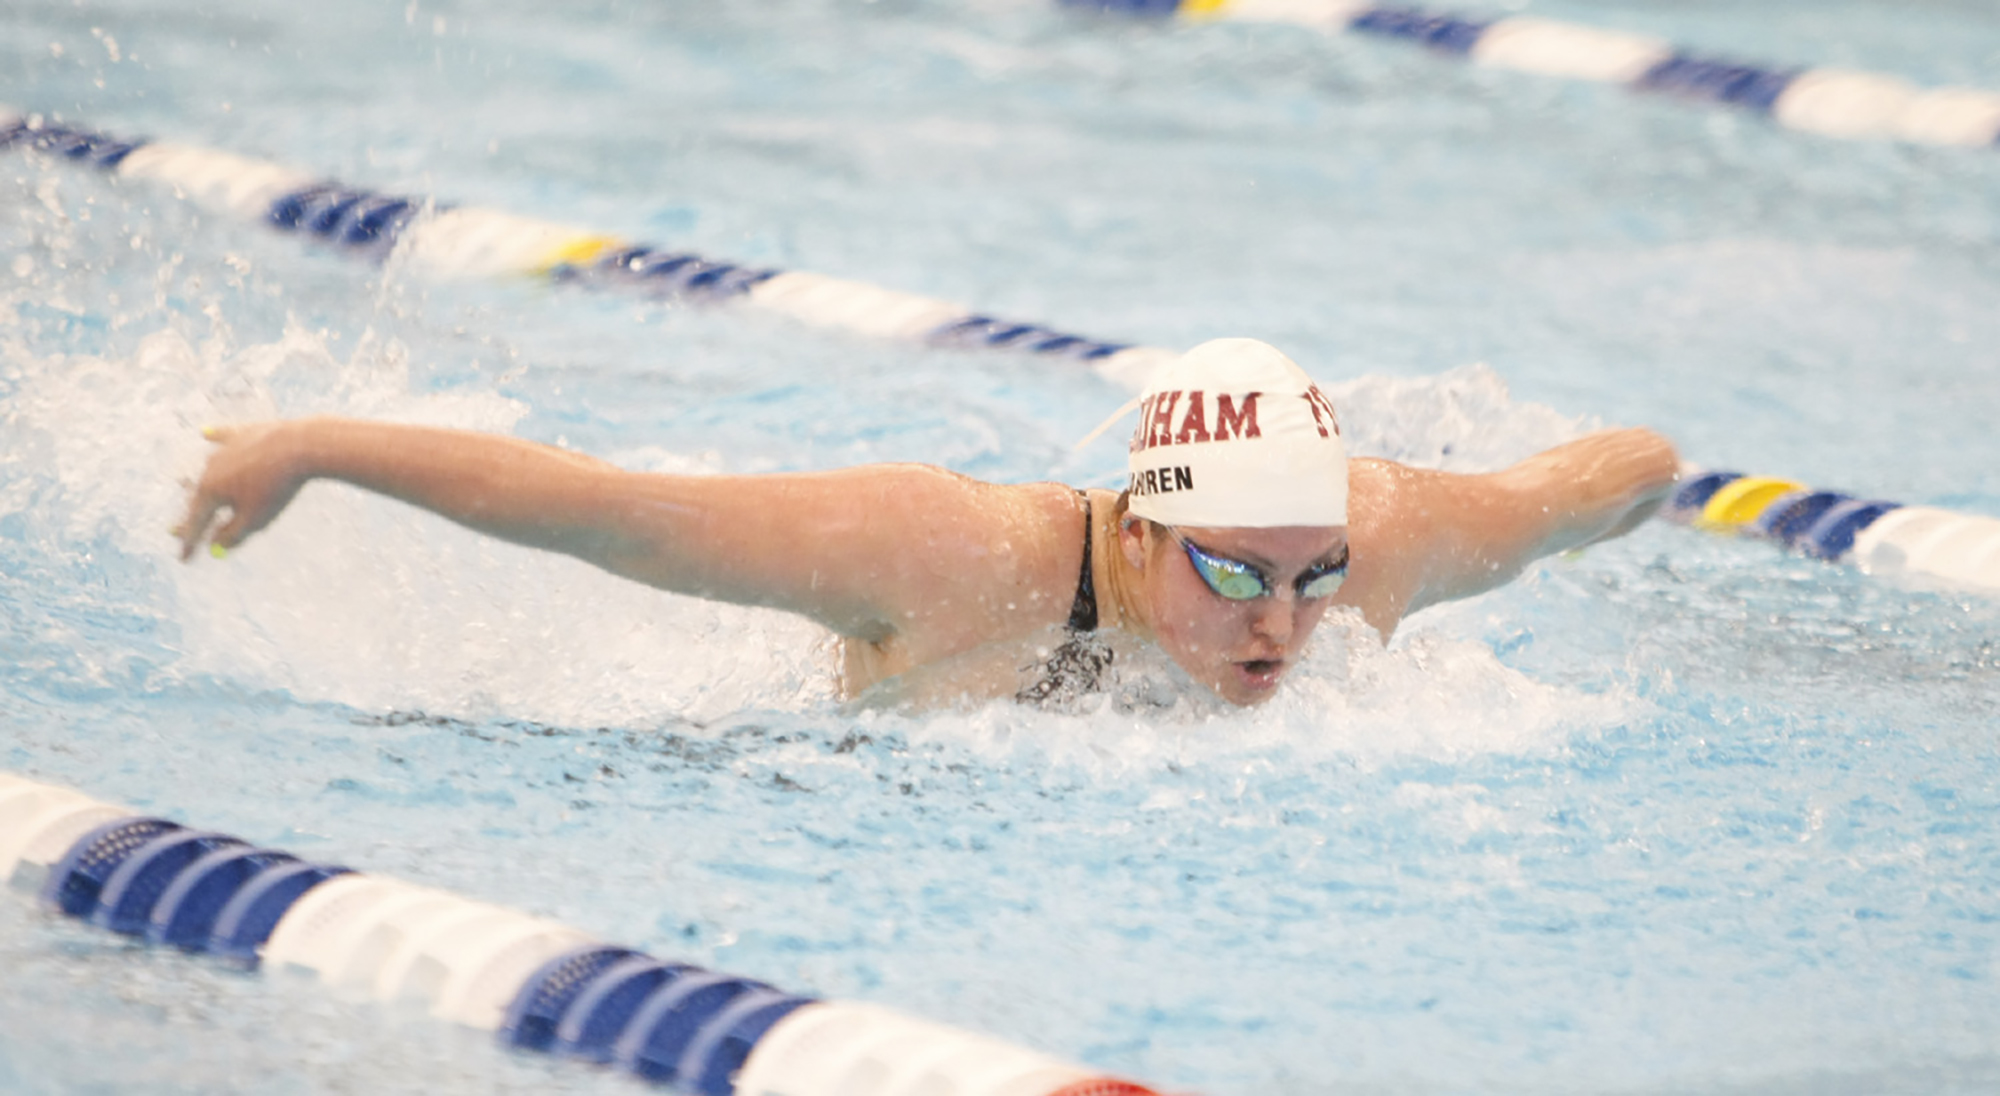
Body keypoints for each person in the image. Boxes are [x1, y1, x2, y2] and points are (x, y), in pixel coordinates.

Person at [175, 339, 1680, 709]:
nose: (1285, 627)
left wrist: (1655, 486)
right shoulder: (948, 556)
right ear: (1141, 533)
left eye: (1313, 578)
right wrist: (322, 445)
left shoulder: (1373, 543)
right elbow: (622, 517)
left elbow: (1591, 484)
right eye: (1237, 576)